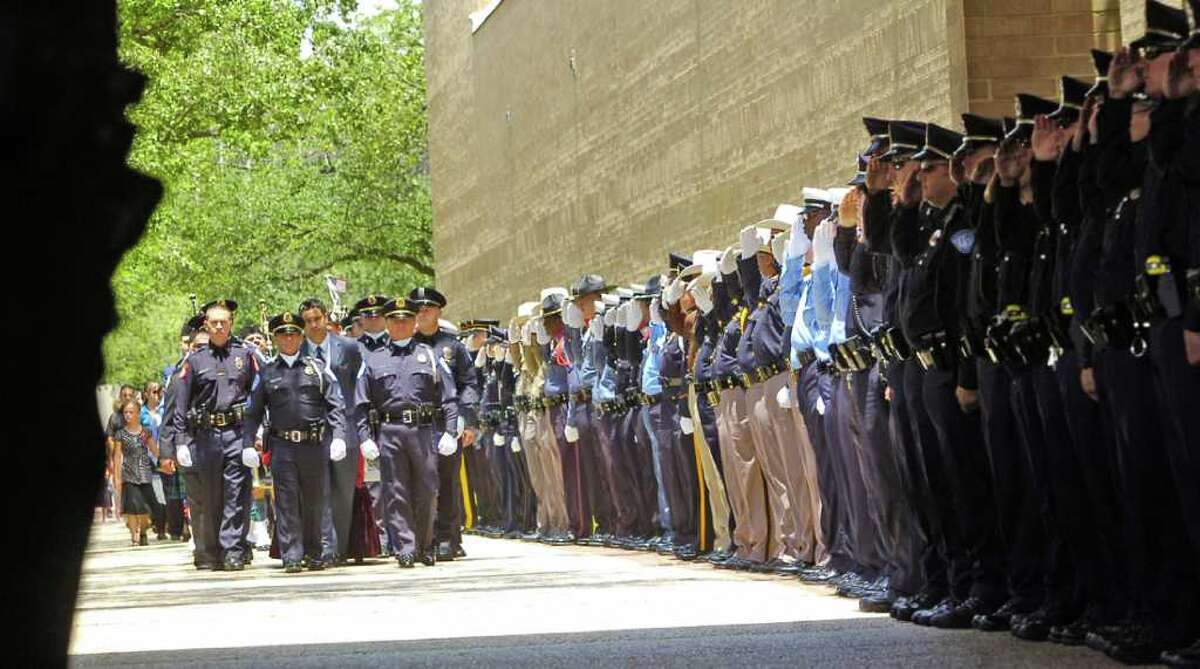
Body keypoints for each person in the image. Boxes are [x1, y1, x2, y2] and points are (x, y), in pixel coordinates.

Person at [353, 297, 459, 568]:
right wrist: (365, 438)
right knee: (395, 491)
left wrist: (450, 431)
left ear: (414, 323)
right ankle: (405, 547)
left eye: (406, 319)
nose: (400, 325)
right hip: (389, 431)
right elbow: (361, 403)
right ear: (387, 324)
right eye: (394, 320)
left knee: (427, 489)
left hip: (423, 431)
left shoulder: (430, 355)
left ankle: (425, 544)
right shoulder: (373, 360)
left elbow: (448, 396)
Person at [244, 311, 348, 573]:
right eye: (282, 334)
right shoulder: (267, 373)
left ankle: (315, 553)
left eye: (293, 334)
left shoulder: (317, 368)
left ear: (301, 337)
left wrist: (339, 437)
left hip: (314, 444)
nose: (288, 339)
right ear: (276, 339)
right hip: (283, 446)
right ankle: (292, 555)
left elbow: (335, 404)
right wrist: (247, 442)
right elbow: (253, 411)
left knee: (316, 500)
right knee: (286, 501)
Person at [165, 299, 261, 571]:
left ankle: (232, 549)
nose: (219, 326)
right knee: (210, 496)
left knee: (236, 493)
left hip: (236, 433)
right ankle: (214, 550)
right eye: (214, 322)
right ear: (206, 325)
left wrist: (257, 432)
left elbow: (258, 395)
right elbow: (181, 404)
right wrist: (181, 441)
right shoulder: (195, 361)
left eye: (224, 321)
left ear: (231, 324)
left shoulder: (245, 356)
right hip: (206, 436)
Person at [408, 286, 479, 561]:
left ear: (438, 311)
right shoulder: (408, 345)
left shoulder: (453, 346)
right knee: (420, 483)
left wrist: (467, 420)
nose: (422, 313)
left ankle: (448, 538)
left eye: (428, 308)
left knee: (448, 482)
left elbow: (469, 384)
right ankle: (425, 537)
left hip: (447, 422)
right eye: (418, 309)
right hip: (417, 424)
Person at [298, 297, 364, 565]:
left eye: (318, 318)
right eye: (308, 321)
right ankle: (321, 549)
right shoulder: (297, 350)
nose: (314, 325)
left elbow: (360, 385)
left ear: (326, 317)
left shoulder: (348, 347)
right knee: (315, 493)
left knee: (343, 493)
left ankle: (340, 549)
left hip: (345, 430)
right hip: (310, 432)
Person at [112, 399, 159, 546]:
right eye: (125, 412)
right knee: (132, 509)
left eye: (131, 412)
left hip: (145, 474)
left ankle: (143, 531)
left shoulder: (145, 432)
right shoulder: (120, 434)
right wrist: (117, 477)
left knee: (145, 509)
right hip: (129, 474)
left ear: (138, 414)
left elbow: (154, 450)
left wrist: (165, 460)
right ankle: (134, 537)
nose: (128, 415)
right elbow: (117, 456)